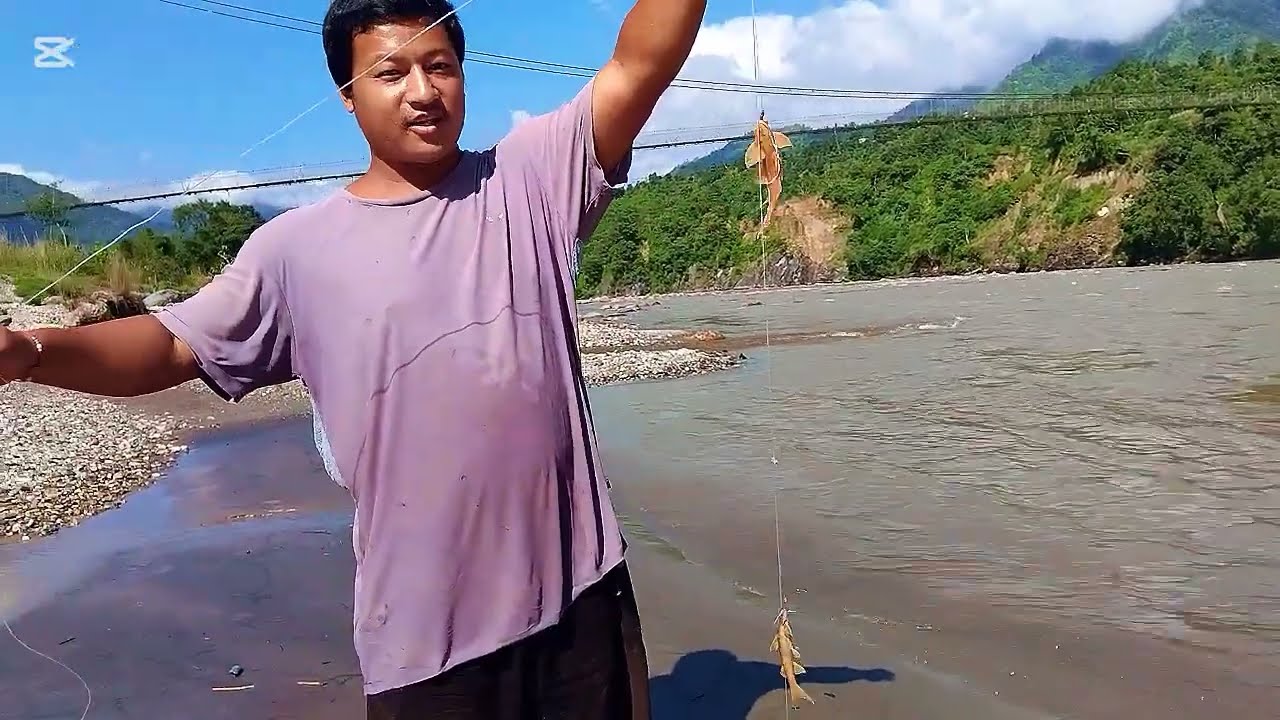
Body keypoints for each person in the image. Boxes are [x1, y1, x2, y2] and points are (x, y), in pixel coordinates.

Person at [0, 0, 706, 716]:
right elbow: (172, 343)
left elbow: (639, 65)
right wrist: (29, 350)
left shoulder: (532, 179)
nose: (423, 91)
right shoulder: (293, 251)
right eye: (390, 71)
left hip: (581, 598)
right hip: (427, 637)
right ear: (347, 95)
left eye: (440, 67)